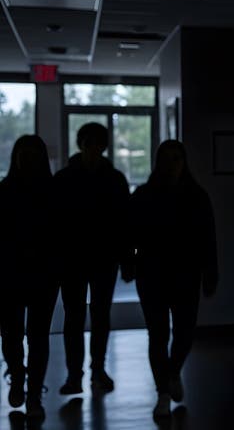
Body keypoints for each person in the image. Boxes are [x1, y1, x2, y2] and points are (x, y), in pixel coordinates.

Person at [129, 140, 218, 418]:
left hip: (185, 274)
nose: (172, 164)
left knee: (184, 333)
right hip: (153, 274)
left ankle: (171, 373)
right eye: (168, 159)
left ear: (184, 162)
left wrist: (210, 271)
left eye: (177, 159)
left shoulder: (197, 197)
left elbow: (208, 238)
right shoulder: (144, 195)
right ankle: (164, 391)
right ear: (159, 162)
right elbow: (130, 232)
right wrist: (129, 262)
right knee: (158, 334)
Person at [54, 122, 131, 395]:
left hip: (73, 260)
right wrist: (127, 260)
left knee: (75, 318)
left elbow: (55, 224)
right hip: (102, 259)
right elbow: (125, 225)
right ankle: (96, 371)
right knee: (98, 316)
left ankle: (76, 375)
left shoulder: (63, 179)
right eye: (92, 143)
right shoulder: (115, 180)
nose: (93, 149)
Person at [0, 135, 59, 419]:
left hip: (15, 275)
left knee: (17, 336)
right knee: (35, 338)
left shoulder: (5, 190)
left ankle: (23, 381)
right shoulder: (53, 192)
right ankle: (32, 393)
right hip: (40, 275)